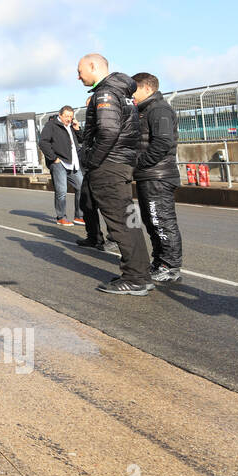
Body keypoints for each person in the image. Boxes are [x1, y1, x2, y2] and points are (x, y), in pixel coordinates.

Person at [78, 53, 152, 295]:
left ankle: (135, 278)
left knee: (121, 223)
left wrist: (92, 161)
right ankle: (140, 274)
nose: (78, 76)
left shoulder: (106, 93)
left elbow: (108, 132)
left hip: (109, 167)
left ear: (93, 66)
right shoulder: (124, 94)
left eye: (80, 71)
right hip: (120, 165)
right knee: (130, 221)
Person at [132, 72, 183, 283]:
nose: (131, 95)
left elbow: (162, 144)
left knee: (161, 221)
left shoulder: (159, 109)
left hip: (158, 176)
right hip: (149, 176)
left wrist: (138, 163)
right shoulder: (145, 111)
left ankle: (170, 267)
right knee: (152, 221)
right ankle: (160, 261)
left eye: (133, 89)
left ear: (146, 88)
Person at [41, 106, 85, 226]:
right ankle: (61, 217)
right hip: (59, 163)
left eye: (71, 116)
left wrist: (77, 128)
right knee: (61, 191)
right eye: (66, 116)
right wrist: (54, 158)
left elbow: (82, 139)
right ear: (60, 115)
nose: (69, 119)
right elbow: (43, 142)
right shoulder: (51, 125)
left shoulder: (71, 126)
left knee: (82, 187)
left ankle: (79, 216)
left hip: (74, 163)